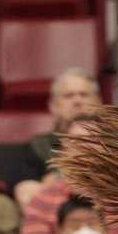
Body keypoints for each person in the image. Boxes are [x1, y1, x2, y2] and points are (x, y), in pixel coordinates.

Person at [16, 68, 103, 208]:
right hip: (58, 218)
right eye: (68, 96)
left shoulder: (116, 143)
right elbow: (26, 192)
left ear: (98, 102)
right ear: (53, 106)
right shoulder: (38, 146)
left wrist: (57, 180)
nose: (77, 101)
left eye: (84, 95)